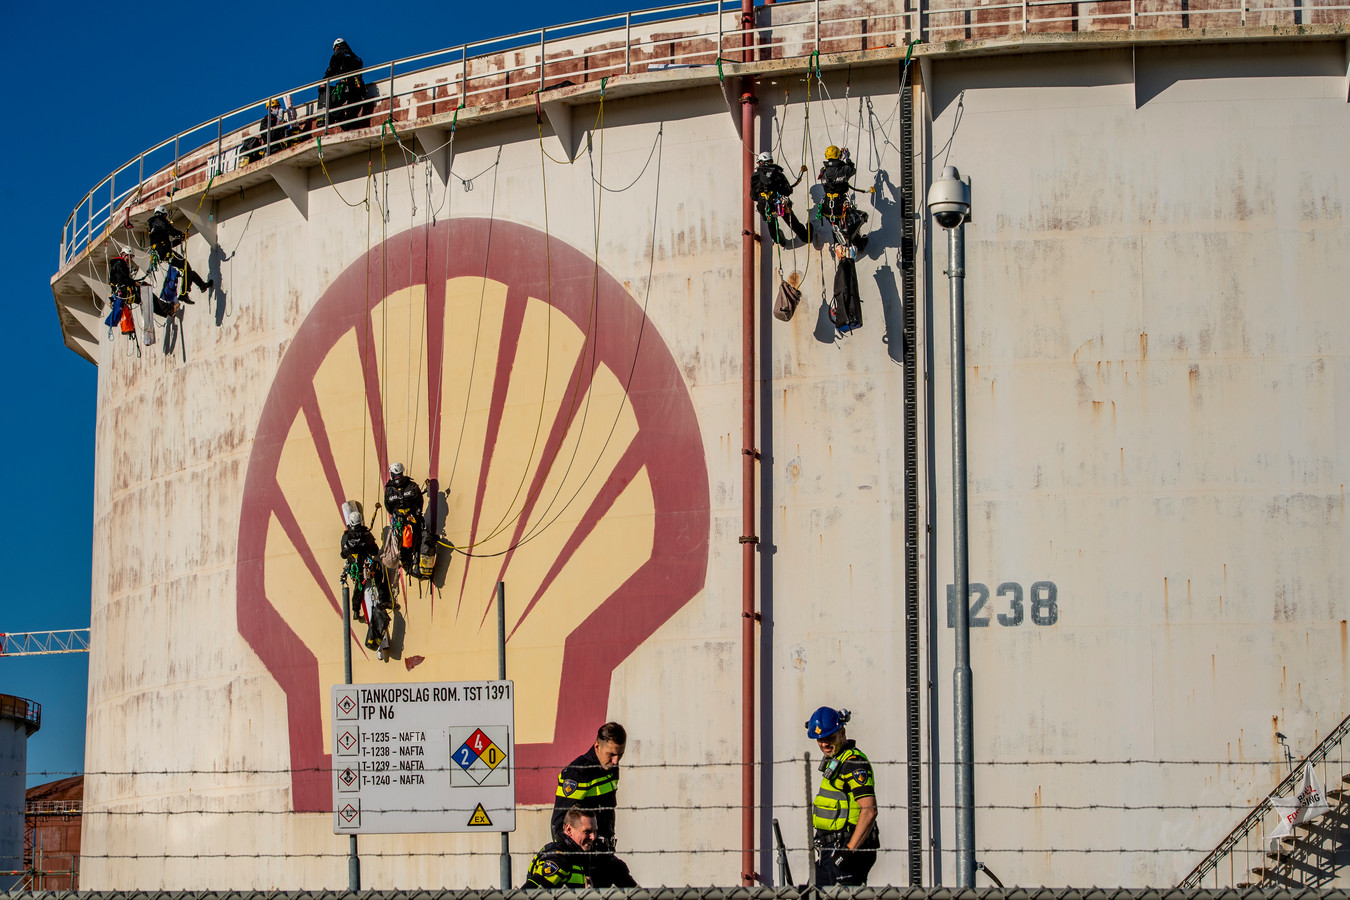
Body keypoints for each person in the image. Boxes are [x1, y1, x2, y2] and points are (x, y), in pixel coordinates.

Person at [551, 722, 637, 887]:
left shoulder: (610, 767)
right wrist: (577, 870)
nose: (615, 761)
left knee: (636, 893)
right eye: (611, 754)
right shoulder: (578, 773)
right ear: (597, 746)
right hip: (585, 861)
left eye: (620, 754)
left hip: (605, 855)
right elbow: (558, 824)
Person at [806, 706, 879, 886]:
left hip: (846, 849)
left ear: (842, 732)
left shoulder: (853, 763)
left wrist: (849, 851)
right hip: (830, 849)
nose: (824, 744)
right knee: (811, 893)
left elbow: (869, 810)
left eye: (829, 738)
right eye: (820, 740)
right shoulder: (837, 761)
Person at [340, 506, 393, 659]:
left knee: (358, 587)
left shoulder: (346, 537)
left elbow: (343, 554)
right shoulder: (365, 534)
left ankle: (355, 610)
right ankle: (385, 600)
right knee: (379, 577)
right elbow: (375, 550)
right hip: (366, 565)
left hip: (355, 567)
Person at [146, 206, 212, 299]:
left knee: (187, 269)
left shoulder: (154, 225)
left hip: (163, 252)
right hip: (165, 252)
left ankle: (202, 285)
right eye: (165, 215)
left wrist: (179, 240)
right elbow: (170, 230)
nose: (165, 217)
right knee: (186, 267)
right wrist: (181, 234)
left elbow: (166, 243)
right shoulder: (159, 221)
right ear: (162, 214)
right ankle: (184, 293)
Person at [525, 807, 597, 889]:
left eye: (595, 831)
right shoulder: (558, 858)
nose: (593, 837)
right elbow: (527, 893)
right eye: (587, 832)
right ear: (569, 829)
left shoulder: (573, 856)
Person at [816, 146, 870, 252]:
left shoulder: (823, 171)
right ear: (838, 155)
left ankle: (840, 248)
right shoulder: (843, 169)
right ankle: (858, 245)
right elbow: (852, 169)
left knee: (835, 228)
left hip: (827, 206)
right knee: (854, 222)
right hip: (840, 204)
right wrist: (847, 158)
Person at [751, 151, 809, 246]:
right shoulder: (777, 172)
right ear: (770, 161)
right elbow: (788, 190)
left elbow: (753, 196)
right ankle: (805, 237)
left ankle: (780, 241)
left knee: (771, 224)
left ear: (760, 162)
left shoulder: (755, 176)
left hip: (764, 204)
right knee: (791, 221)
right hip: (779, 202)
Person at [383, 462, 425, 576]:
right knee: (418, 538)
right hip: (413, 519)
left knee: (398, 543)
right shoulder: (411, 485)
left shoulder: (389, 489)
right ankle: (416, 560)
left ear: (392, 473)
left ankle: (406, 561)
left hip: (399, 521)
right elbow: (419, 500)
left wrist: (397, 512)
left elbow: (388, 507)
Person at [325, 38, 368, 131]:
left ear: (337, 46)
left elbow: (332, 69)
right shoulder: (356, 57)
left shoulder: (338, 54)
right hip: (359, 87)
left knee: (331, 105)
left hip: (347, 85)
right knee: (353, 112)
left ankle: (343, 122)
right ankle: (351, 126)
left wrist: (324, 81)